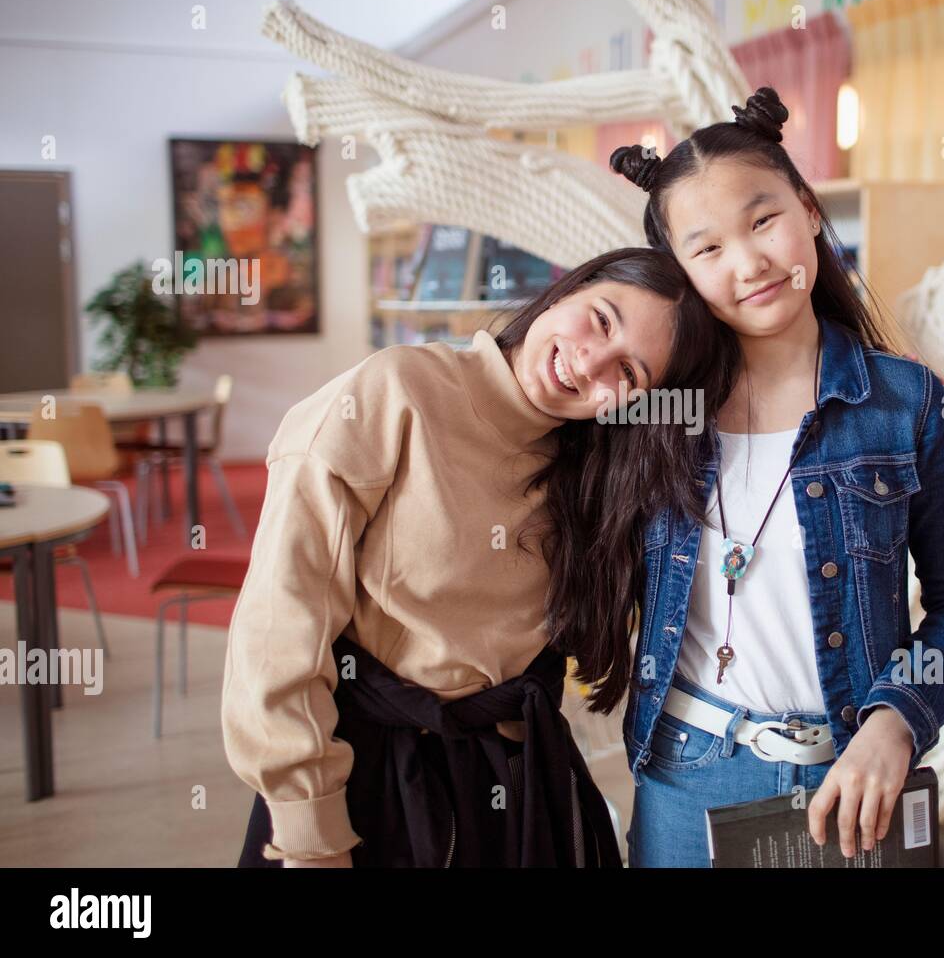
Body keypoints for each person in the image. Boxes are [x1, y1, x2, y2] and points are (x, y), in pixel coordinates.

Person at [223, 246, 729, 867]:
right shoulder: (394, 391)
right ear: (568, 289)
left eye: (628, 372)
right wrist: (309, 827)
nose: (591, 362)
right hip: (372, 779)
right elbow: (279, 622)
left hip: (515, 786)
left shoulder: (595, 473)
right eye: (600, 319)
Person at [610, 87, 944, 867]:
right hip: (686, 774)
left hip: (850, 777)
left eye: (763, 221)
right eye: (707, 248)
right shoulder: (656, 412)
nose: (749, 263)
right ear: (679, 271)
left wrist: (897, 720)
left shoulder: (907, 403)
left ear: (810, 209)